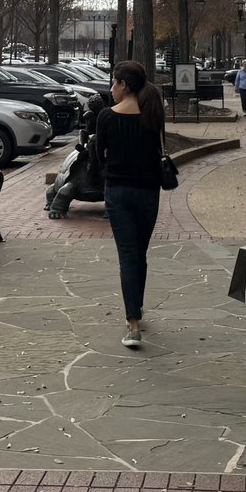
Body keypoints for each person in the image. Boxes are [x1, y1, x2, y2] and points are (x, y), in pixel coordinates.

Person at [96, 60, 167, 349]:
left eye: (114, 82)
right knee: (140, 251)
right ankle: (136, 306)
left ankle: (133, 323)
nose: (111, 88)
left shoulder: (106, 117)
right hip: (148, 191)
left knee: (128, 254)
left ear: (124, 84)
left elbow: (100, 155)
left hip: (118, 191)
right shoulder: (152, 115)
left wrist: (109, 173)